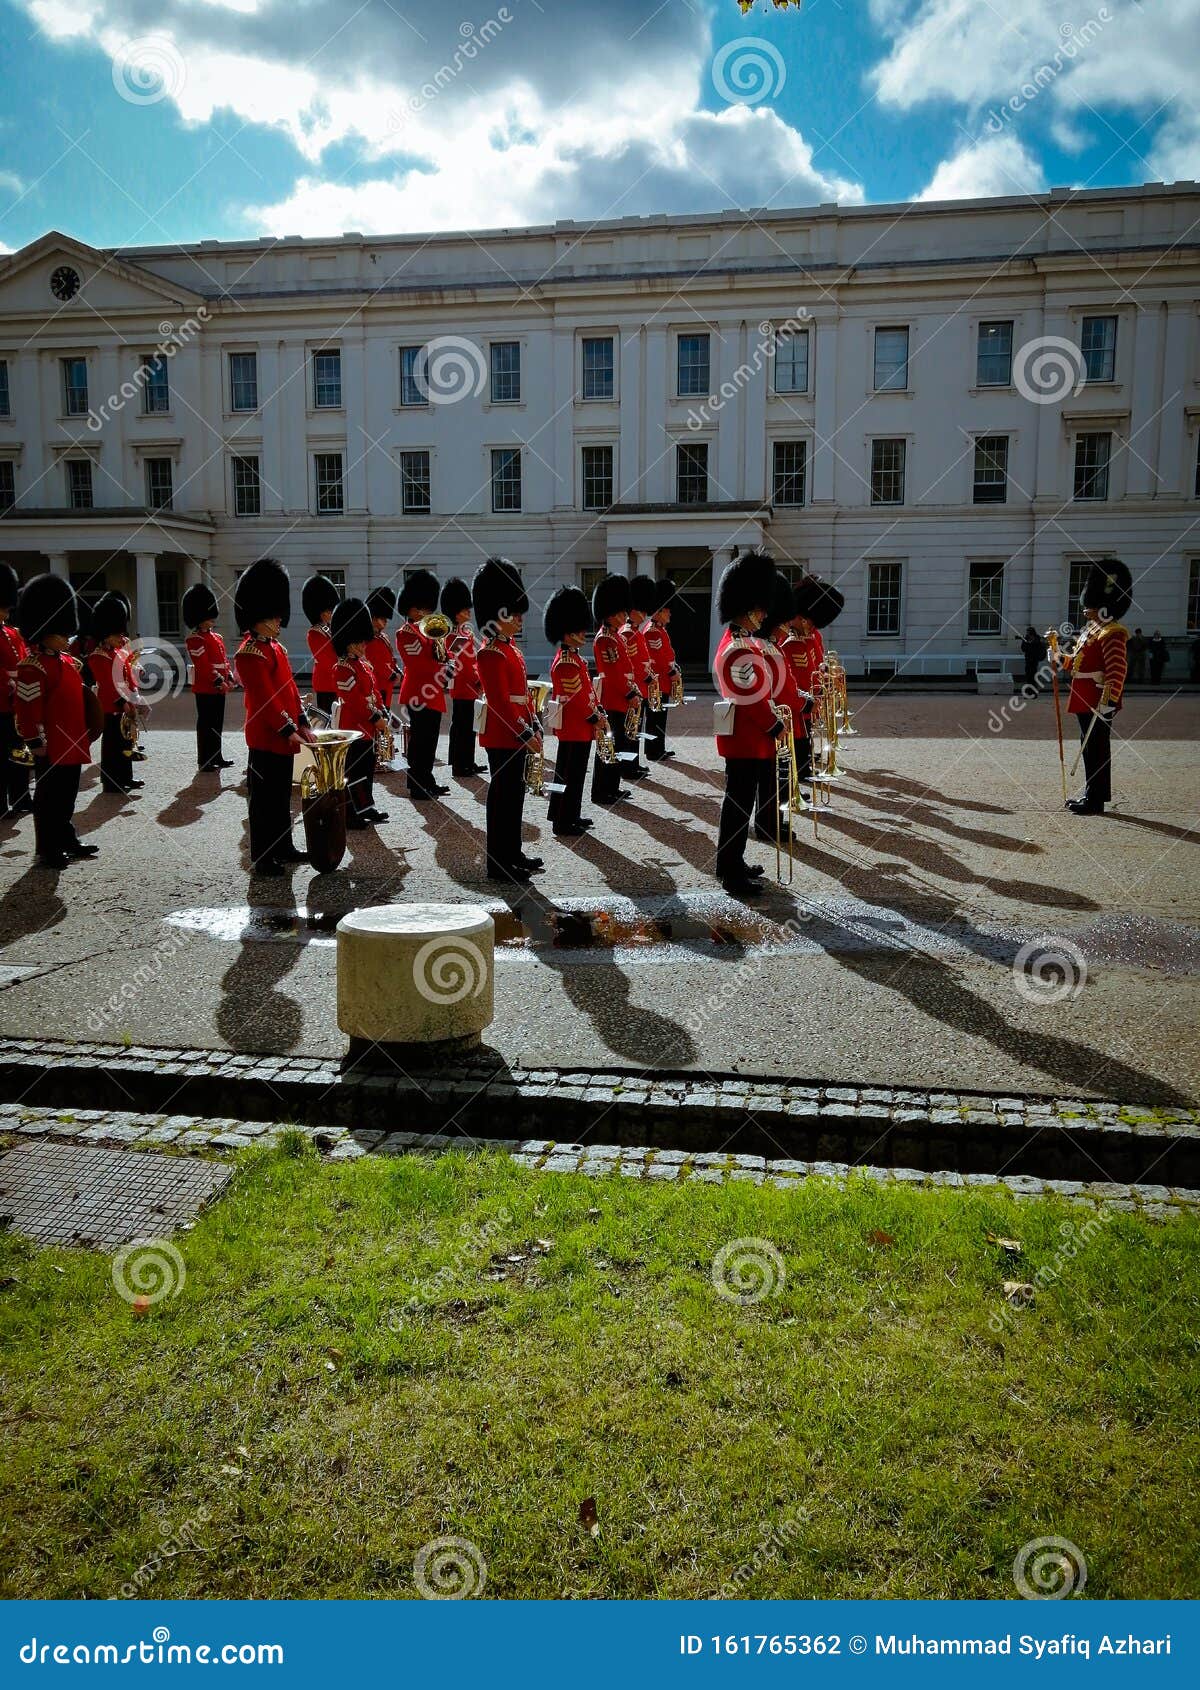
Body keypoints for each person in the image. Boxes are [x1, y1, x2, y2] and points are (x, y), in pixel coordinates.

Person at [233, 558, 316, 876]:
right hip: (266, 737)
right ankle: (263, 855)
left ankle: (283, 845)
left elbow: (290, 691)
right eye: (273, 615)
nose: (279, 619)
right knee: (263, 802)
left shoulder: (275, 649)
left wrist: (302, 721)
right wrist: (287, 727)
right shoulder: (249, 653)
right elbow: (265, 699)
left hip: (283, 736)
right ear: (256, 615)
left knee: (282, 797)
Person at [713, 550, 784, 896]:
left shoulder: (743, 641)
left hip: (749, 737)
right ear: (746, 607)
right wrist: (773, 724)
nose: (763, 614)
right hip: (746, 736)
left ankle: (733, 860)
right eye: (759, 608)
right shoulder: (738, 647)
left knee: (740, 802)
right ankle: (729, 871)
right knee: (738, 804)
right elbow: (751, 696)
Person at [14, 573, 96, 868]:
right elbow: (27, 710)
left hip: (72, 741)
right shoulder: (33, 667)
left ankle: (66, 837)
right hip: (50, 744)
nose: (67, 637)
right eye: (62, 632)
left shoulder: (69, 663)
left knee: (67, 796)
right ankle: (47, 847)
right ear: (45, 630)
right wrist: (35, 741)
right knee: (48, 799)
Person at [473, 556, 541, 884]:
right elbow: (500, 703)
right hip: (503, 735)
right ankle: (497, 863)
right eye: (514, 613)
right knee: (502, 799)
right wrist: (525, 732)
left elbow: (522, 696)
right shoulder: (490, 652)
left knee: (516, 796)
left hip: (516, 732)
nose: (519, 619)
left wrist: (535, 723)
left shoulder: (511, 648)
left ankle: (512, 853)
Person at [1061, 556, 1131, 816]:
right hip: (1084, 696)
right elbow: (1077, 664)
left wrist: (1109, 700)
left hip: (1099, 698)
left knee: (1097, 748)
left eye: (1089, 607)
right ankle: (1092, 793)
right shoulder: (1090, 631)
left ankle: (1096, 799)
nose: (1085, 611)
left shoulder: (1112, 632)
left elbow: (1117, 670)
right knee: (1089, 746)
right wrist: (1058, 655)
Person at [544, 585, 602, 839]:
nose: (583, 633)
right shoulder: (566, 661)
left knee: (575, 775)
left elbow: (587, 692)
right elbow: (575, 698)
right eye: (578, 629)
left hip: (580, 725)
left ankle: (570, 814)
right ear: (567, 633)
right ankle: (562, 821)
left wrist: (597, 709)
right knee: (569, 775)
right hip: (574, 726)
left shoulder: (576, 658)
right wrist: (595, 717)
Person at [331, 597, 389, 830]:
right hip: (354, 728)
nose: (365, 646)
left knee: (366, 769)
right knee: (353, 771)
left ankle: (365, 806)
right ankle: (350, 811)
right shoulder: (342, 668)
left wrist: (383, 711)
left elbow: (375, 692)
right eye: (360, 642)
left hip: (368, 729)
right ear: (348, 642)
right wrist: (375, 717)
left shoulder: (364, 666)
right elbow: (354, 701)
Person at [755, 575, 805, 847]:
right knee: (775, 778)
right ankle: (770, 824)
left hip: (774, 718)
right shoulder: (770, 649)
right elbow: (784, 690)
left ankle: (770, 822)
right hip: (776, 719)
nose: (788, 629)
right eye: (785, 623)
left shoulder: (768, 646)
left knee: (771, 777)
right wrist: (803, 703)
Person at [395, 569, 449, 802]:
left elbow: (438, 659)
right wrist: (441, 666)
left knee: (430, 741)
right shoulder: (405, 633)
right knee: (419, 742)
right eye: (423, 608)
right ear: (412, 609)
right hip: (418, 691)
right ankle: (417, 784)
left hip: (432, 692)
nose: (427, 612)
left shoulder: (428, 632)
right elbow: (418, 665)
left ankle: (426, 780)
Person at [88, 592, 144, 795]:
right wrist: (123, 702)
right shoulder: (98, 656)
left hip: (126, 702)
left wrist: (136, 696)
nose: (120, 638)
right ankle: (111, 782)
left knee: (127, 740)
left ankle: (125, 777)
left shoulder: (119, 652)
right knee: (112, 745)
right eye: (116, 634)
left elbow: (128, 677)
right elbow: (108, 683)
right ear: (105, 634)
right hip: (112, 706)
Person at [591, 573, 636, 806]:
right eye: (620, 613)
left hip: (620, 696)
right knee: (607, 746)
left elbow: (625, 668)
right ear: (609, 613)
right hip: (611, 698)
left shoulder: (615, 637)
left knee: (618, 745)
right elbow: (614, 673)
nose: (624, 617)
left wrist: (632, 690)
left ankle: (612, 787)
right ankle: (601, 790)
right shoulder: (604, 639)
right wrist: (629, 693)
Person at [183, 582, 235, 773]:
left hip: (219, 687)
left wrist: (228, 675)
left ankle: (216, 755)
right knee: (206, 723)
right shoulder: (195, 639)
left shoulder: (217, 637)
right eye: (208, 617)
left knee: (217, 723)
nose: (212, 620)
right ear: (199, 618)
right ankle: (205, 759)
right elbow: (203, 666)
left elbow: (223, 660)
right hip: (206, 687)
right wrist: (218, 680)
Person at [442, 576, 484, 776]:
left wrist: (478, 679)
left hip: (471, 686)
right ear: (455, 612)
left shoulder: (464, 633)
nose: (469, 611)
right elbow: (458, 663)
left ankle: (468, 761)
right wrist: (475, 679)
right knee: (462, 727)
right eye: (464, 609)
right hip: (461, 686)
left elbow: (472, 661)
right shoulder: (452, 635)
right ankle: (460, 765)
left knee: (469, 727)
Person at [0, 562, 32, 819]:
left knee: (21, 751)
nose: (6, 612)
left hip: (18, 703)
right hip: (2, 702)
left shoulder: (14, 634)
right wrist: (11, 686)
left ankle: (21, 797)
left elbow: (25, 661)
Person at [620, 576, 656, 778]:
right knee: (629, 733)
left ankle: (633, 765)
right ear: (632, 610)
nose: (644, 615)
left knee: (635, 730)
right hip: (634, 687)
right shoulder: (627, 633)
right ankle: (627, 768)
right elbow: (631, 665)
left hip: (640, 687)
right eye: (641, 611)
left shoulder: (636, 632)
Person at [644, 581, 679, 762]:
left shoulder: (660, 630)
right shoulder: (652, 631)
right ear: (659, 611)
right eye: (667, 610)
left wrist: (675, 668)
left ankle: (659, 748)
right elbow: (657, 660)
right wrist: (672, 673)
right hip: (657, 682)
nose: (669, 613)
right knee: (654, 718)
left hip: (662, 682)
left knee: (660, 717)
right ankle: (652, 751)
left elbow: (667, 654)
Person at [302, 574, 340, 718]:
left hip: (335, 681)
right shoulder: (315, 633)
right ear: (321, 613)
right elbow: (327, 661)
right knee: (329, 720)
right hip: (326, 683)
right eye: (329, 611)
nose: (331, 614)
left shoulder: (329, 629)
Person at [363, 587, 397, 717]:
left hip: (386, 686)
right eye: (383, 619)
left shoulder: (383, 637)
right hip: (378, 685)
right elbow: (375, 663)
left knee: (385, 716)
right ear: (374, 618)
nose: (385, 622)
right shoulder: (368, 639)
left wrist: (396, 670)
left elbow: (390, 657)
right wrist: (392, 675)